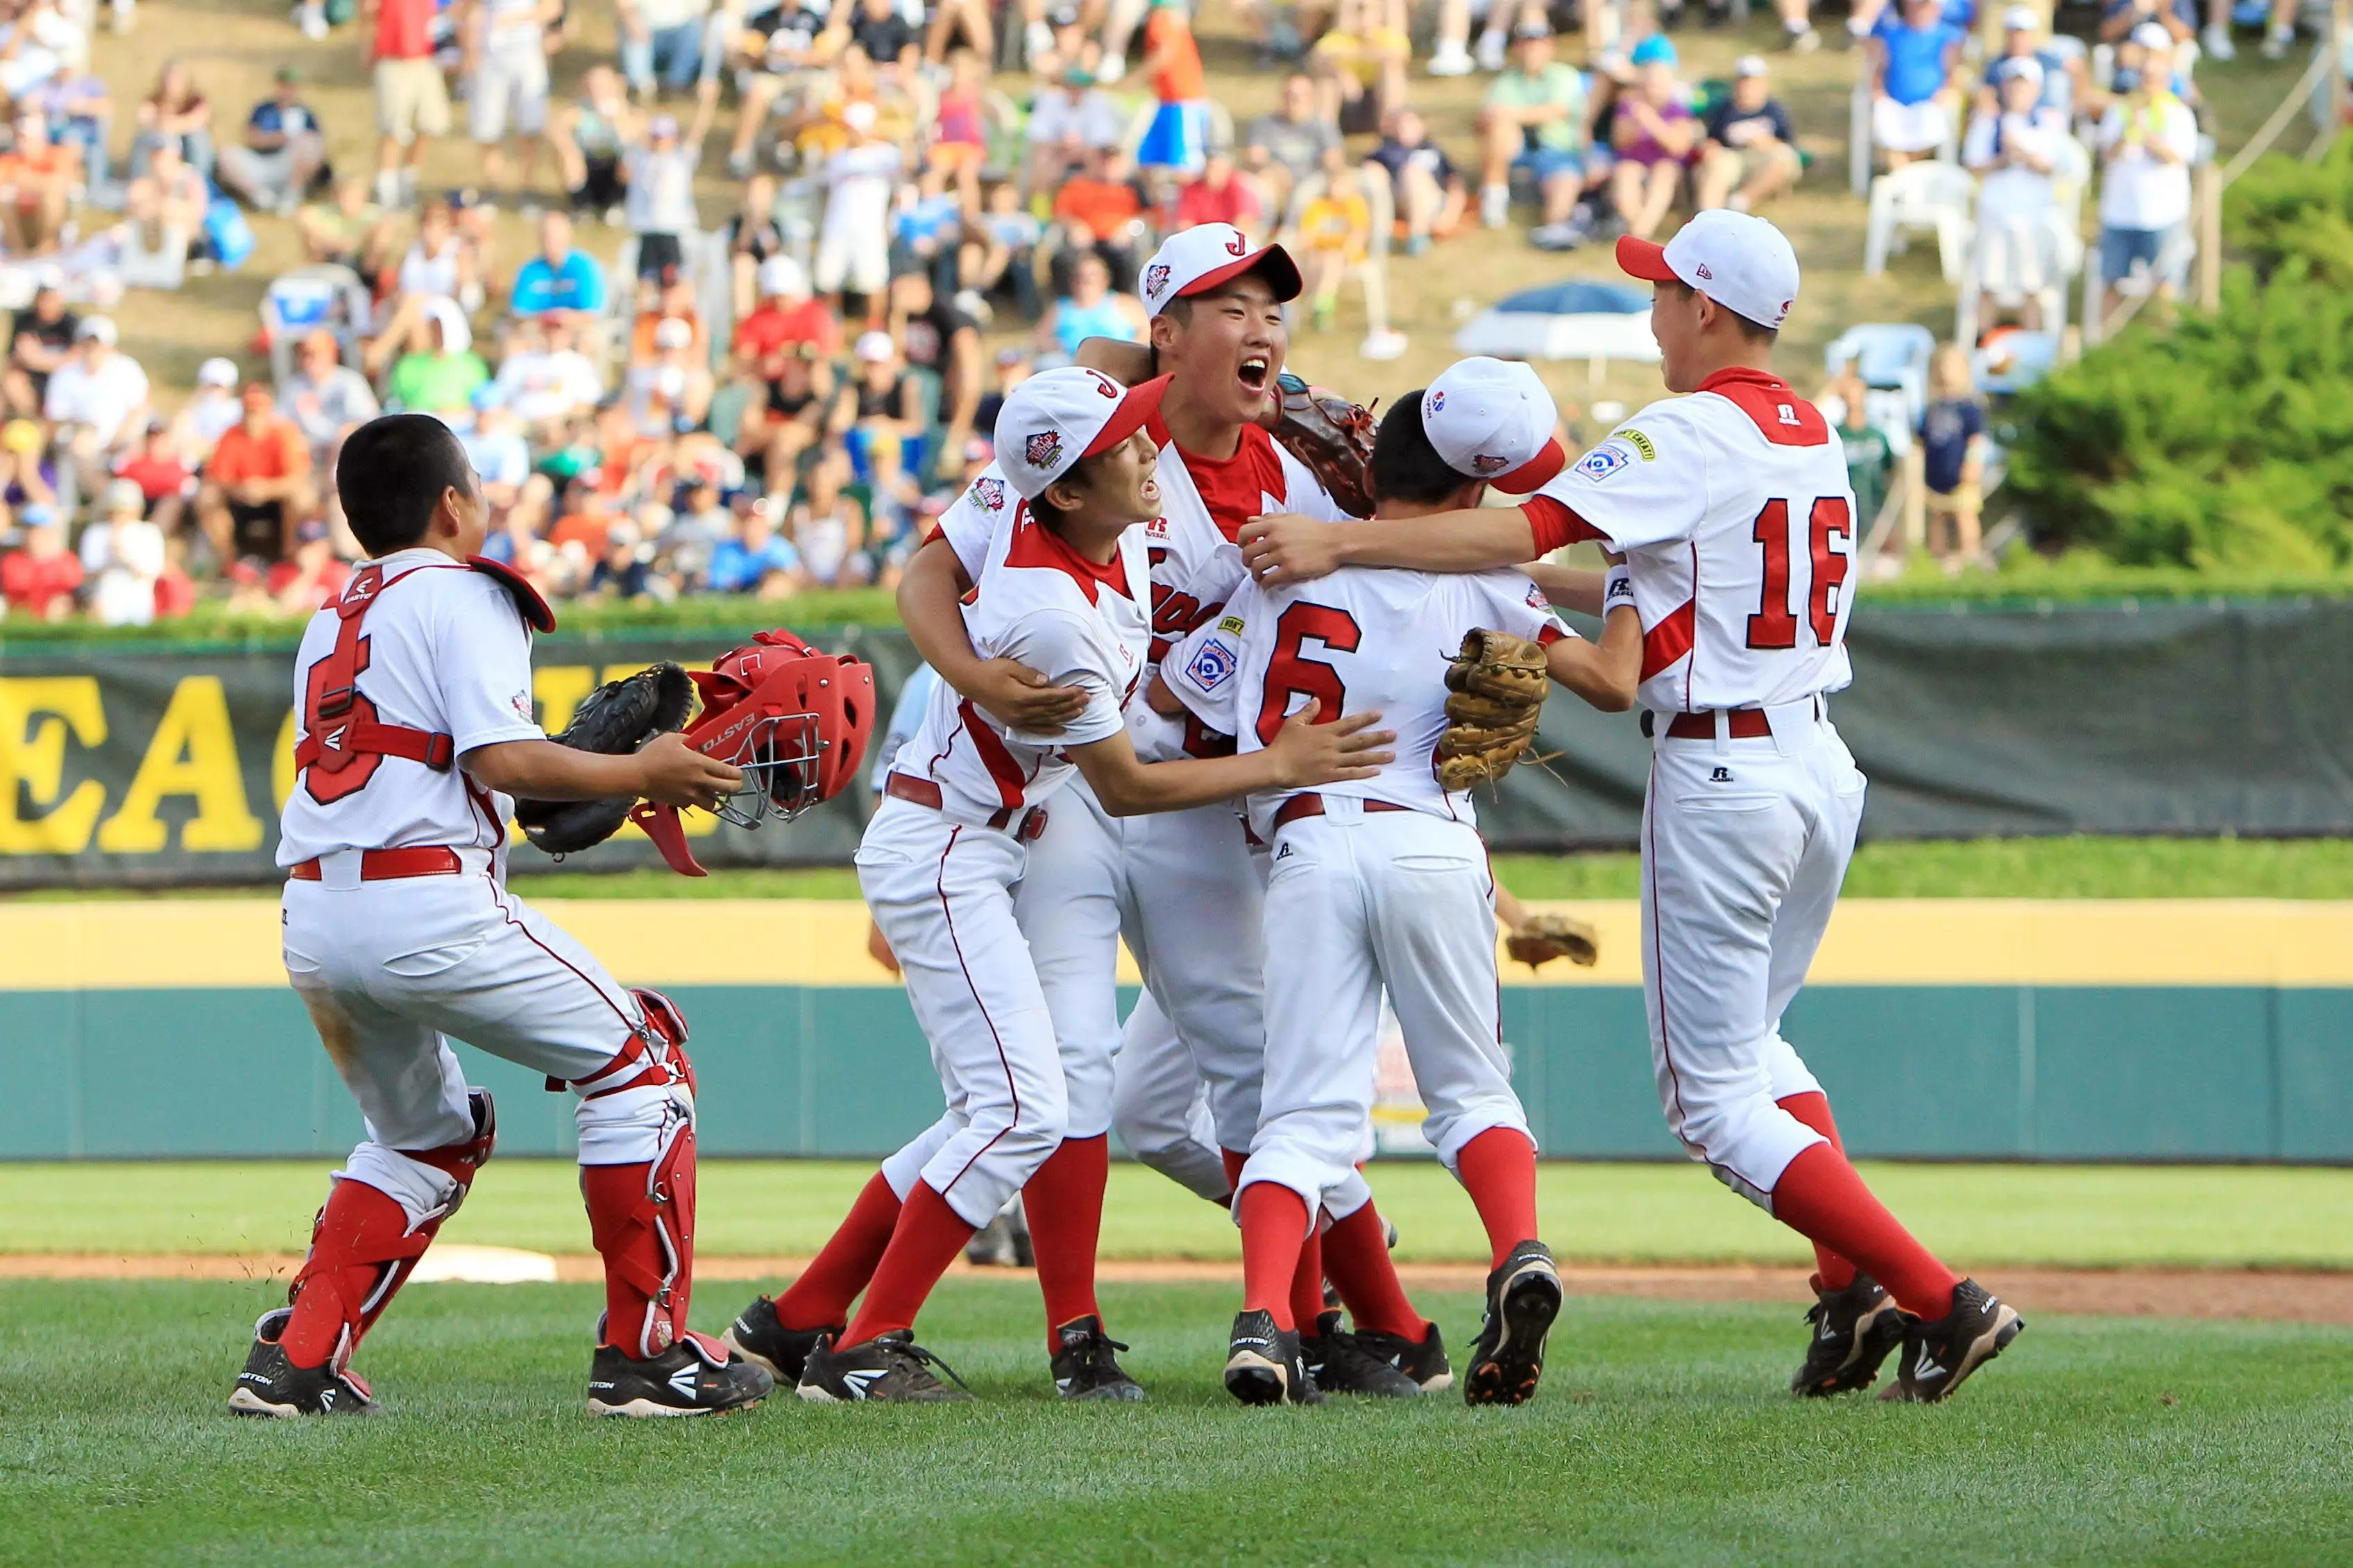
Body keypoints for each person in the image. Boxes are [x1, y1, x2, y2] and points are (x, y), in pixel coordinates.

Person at [1238, 210, 2028, 1406]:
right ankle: (1848, 1289)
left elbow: (1533, 530)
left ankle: (1936, 1297)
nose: (1652, 307)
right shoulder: (1808, 428)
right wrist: (1504, 579)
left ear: (1706, 309)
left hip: (1723, 778)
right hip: (1817, 761)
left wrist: (1343, 543)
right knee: (1756, 1052)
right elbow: (1590, 566)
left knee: (1710, 1102)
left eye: (1664, 291)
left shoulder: (1684, 430)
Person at [727, 366, 1394, 1404]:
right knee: (1024, 1110)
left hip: (987, 841)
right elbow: (1124, 788)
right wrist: (1277, 764)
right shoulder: (1049, 612)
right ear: (1066, 491)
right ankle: (866, 1346)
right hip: (952, 847)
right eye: (1123, 446)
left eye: (1137, 432)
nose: (1145, 451)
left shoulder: (1090, 525)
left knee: (994, 1113)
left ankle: (801, 1321)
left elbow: (1097, 411)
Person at [228, 411, 767, 1419]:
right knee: (644, 1060)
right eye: (474, 481)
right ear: (450, 504)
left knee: (423, 1134)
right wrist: (639, 766)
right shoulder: (466, 592)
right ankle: (647, 1358)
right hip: (427, 902)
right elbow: (500, 763)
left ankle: (296, 1364)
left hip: (316, 913)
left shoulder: (331, 613)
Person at [1156, 356, 1641, 1406]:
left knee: (1297, 1112)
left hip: (1306, 842)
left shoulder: (1279, 565)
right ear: (1475, 495)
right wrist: (1635, 576)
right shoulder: (1492, 586)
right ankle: (1517, 1249)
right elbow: (1614, 679)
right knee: (1469, 1091)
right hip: (1431, 837)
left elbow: (1176, 684)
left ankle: (1264, 1321)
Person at [2096, 26, 2198, 327]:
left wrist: (2149, 137)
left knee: (2165, 285)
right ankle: (2106, 348)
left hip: (2162, 214)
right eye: (2145, 78)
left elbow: (2178, 158)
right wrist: (2128, 134)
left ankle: (2163, 347)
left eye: (2155, 79)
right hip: (2120, 213)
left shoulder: (2178, 114)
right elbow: (2106, 155)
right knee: (2112, 281)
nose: (2149, 85)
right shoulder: (2121, 111)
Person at [1477, 22, 1593, 248]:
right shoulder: (1505, 82)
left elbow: (1556, 110)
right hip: (1518, 148)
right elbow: (1485, 119)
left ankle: (1556, 226)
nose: (1532, 51)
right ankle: (1494, 200)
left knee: (1564, 182)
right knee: (1499, 130)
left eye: (1538, 46)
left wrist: (1507, 114)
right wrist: (1504, 117)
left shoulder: (1564, 76)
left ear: (1550, 48)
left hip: (1558, 149)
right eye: (1526, 45)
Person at [198, 382, 316, 566]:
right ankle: (228, 560)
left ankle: (290, 554)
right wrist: (241, 489)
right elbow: (217, 477)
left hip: (276, 499)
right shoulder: (231, 435)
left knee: (303, 497)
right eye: (249, 411)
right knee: (207, 496)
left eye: (258, 412)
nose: (253, 418)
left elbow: (298, 478)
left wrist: (266, 489)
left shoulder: (284, 433)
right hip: (240, 498)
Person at [461, 0, 561, 209]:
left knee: (530, 127)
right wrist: (470, 48)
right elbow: (469, 10)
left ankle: (528, 188)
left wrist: (513, 20)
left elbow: (552, 8)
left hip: (527, 55)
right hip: (490, 56)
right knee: (487, 128)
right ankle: (492, 188)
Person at [44, 316, 149, 510]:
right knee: (80, 447)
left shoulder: (127, 369)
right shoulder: (66, 374)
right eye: (88, 343)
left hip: (122, 436)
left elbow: (139, 409)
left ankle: (118, 505)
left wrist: (117, 439)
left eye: (98, 344)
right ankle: (111, 505)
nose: (93, 350)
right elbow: (56, 419)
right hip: (84, 435)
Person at [1609, 36, 1697, 244]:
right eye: (1650, 79)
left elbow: (1679, 147)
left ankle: (1640, 233)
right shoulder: (1628, 104)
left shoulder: (1678, 109)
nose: (1654, 85)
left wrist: (1651, 121)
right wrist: (1635, 123)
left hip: (1666, 167)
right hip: (1634, 162)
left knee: (1664, 173)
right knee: (1625, 173)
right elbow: (1620, 142)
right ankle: (1637, 229)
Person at [813, 101, 901, 304]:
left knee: (874, 282)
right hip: (836, 228)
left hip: (870, 229)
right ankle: (832, 331)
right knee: (828, 281)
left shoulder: (887, 155)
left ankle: (875, 330)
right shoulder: (837, 157)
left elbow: (905, 176)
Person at [365, 0, 449, 210]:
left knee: (428, 124)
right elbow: (367, 13)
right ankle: (387, 188)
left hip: (425, 58)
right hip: (393, 58)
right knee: (393, 129)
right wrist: (367, 47)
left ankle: (407, 181)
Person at [1696, 56, 1800, 214]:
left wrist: (1767, 143)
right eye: (1743, 81)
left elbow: (1787, 142)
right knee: (1716, 166)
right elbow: (1712, 139)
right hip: (1733, 158)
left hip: (1762, 157)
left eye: (1752, 81)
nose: (1747, 86)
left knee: (1784, 158)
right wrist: (1711, 149)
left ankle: (1740, 201)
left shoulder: (1774, 110)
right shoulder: (1724, 110)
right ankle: (1708, 216)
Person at [217, 67, 327, 217]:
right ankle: (261, 197)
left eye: (293, 87)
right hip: (261, 162)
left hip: (290, 165)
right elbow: (251, 137)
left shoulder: (306, 114)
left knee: (309, 143)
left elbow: (317, 149)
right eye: (285, 85)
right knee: (227, 154)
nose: (288, 91)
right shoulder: (263, 110)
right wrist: (280, 138)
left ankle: (291, 195)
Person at [1871, 0, 1964, 171]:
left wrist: (1945, 91)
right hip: (1893, 103)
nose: (1918, 10)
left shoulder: (1948, 37)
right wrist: (1878, 91)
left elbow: (1954, 73)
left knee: (1930, 126)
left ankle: (1902, 174)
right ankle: (1907, 176)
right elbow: (1879, 70)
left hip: (1930, 103)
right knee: (1884, 125)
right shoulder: (1892, 34)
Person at [1363, 108, 1465, 257]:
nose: (1406, 129)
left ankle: (1418, 236)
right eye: (1401, 125)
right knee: (1373, 172)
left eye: (1411, 124)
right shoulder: (1385, 151)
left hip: (1429, 200)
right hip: (1397, 200)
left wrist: (1451, 214)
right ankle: (1379, 231)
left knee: (1412, 173)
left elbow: (1455, 184)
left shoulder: (1433, 151)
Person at [1918, 345, 1986, 567]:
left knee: (1965, 514)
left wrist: (1973, 462)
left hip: (1960, 471)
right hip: (1936, 473)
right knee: (1937, 516)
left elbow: (1977, 438)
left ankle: (1970, 555)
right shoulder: (1932, 408)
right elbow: (1921, 438)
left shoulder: (1969, 407)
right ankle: (1939, 558)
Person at [1243, 72, 1340, 223]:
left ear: (1310, 99)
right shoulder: (1265, 123)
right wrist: (1275, 170)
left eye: (1298, 97)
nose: (1292, 101)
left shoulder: (1322, 125)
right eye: (1288, 95)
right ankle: (1258, 237)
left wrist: (1332, 174)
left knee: (1306, 192)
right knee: (1255, 186)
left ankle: (1289, 238)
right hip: (1275, 181)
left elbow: (1334, 160)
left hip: (1312, 180)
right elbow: (1255, 158)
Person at [280, 330, 382, 472]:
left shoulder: (350, 382)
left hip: (343, 452)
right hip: (308, 452)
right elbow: (282, 424)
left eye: (313, 353)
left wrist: (337, 444)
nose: (307, 359)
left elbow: (365, 422)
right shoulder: (293, 387)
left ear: (331, 354)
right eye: (303, 353)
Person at [1051, 146, 1148, 288]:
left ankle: (1124, 303)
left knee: (1130, 262)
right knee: (1062, 260)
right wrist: (1074, 226)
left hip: (1119, 242)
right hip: (1085, 242)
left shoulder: (1133, 187)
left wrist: (1131, 227)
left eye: (1113, 162)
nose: (1108, 167)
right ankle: (1069, 305)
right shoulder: (1077, 186)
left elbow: (1150, 215)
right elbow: (1060, 213)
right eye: (1104, 162)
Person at [622, 114, 703, 285]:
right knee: (645, 283)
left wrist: (707, 103)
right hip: (647, 232)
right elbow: (625, 125)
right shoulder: (640, 158)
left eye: (663, 137)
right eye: (656, 136)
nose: (659, 141)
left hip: (674, 232)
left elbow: (698, 132)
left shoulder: (681, 159)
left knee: (674, 282)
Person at [1296, 148, 1370, 331]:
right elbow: (1307, 233)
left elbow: (1359, 232)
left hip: (1344, 254)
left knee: (1332, 263)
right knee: (1314, 263)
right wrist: (1303, 248)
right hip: (1318, 252)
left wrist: (1348, 252)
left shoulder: (1354, 205)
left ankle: (1322, 306)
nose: (1337, 189)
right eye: (1334, 184)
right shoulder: (1319, 207)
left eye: (1342, 185)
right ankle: (1296, 309)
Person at [1132, 0, 1209, 179]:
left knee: (1185, 167)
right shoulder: (1172, 18)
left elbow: (1164, 53)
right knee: (1149, 161)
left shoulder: (1162, 18)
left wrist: (1135, 80)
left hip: (1183, 101)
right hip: (1170, 101)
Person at [79, 477, 169, 626]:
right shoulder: (95, 533)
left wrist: (123, 554)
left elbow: (149, 572)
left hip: (139, 605)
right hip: (104, 603)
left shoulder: (149, 533)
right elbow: (88, 574)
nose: (119, 516)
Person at [1026, 62, 1125, 194]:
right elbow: (1039, 136)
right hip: (1058, 153)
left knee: (1104, 161)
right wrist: (1062, 146)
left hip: (1090, 154)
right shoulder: (1050, 100)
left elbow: (1103, 141)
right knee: (1041, 160)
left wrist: (1080, 150)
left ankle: (1097, 205)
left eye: (1079, 86)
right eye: (1071, 86)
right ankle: (1040, 209)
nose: (1075, 90)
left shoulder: (1099, 102)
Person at [1037, 250, 1148, 360]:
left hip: (1116, 364)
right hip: (1071, 363)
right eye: (1080, 276)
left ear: (1105, 279)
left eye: (1092, 276)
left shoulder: (1123, 304)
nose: (1086, 281)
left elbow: (1147, 331)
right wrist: (1057, 348)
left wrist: (1129, 352)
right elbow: (1041, 338)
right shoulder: (1060, 308)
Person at [509, 210, 609, 323]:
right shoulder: (529, 271)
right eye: (546, 238)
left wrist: (565, 320)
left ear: (568, 236)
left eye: (556, 238)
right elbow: (519, 313)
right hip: (538, 329)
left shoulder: (585, 268)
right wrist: (547, 320)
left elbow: (592, 313)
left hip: (575, 329)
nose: (550, 244)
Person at [0, 112, 77, 256]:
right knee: (3, 198)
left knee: (53, 196)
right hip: (20, 217)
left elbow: (62, 182)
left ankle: (46, 246)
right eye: (20, 138)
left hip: (46, 218)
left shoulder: (55, 156)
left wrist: (28, 181)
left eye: (27, 139)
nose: (23, 143)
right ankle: (18, 250)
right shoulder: (11, 159)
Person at [4, 279, 75, 420]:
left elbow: (75, 359)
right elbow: (15, 358)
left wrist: (38, 358)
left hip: (62, 380)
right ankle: (33, 421)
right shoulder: (24, 321)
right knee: (12, 382)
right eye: (42, 299)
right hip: (33, 380)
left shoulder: (70, 324)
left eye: (50, 299)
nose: (46, 305)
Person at [0, 506, 78, 619]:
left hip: (57, 625)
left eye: (38, 529)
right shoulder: (11, 562)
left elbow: (74, 598)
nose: (32, 535)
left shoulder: (68, 562)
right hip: (19, 622)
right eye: (28, 529)